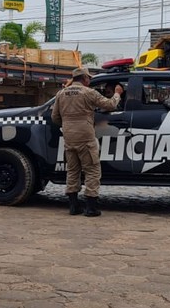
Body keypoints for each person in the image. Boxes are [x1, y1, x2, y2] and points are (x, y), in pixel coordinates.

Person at [51, 67, 123, 217]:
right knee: (92, 169)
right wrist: (117, 93)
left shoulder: (61, 94)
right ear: (83, 78)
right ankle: (91, 207)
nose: (89, 80)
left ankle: (73, 206)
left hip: (69, 136)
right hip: (85, 136)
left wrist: (68, 124)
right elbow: (110, 105)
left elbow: (55, 117)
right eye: (88, 78)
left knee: (72, 170)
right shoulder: (88, 92)